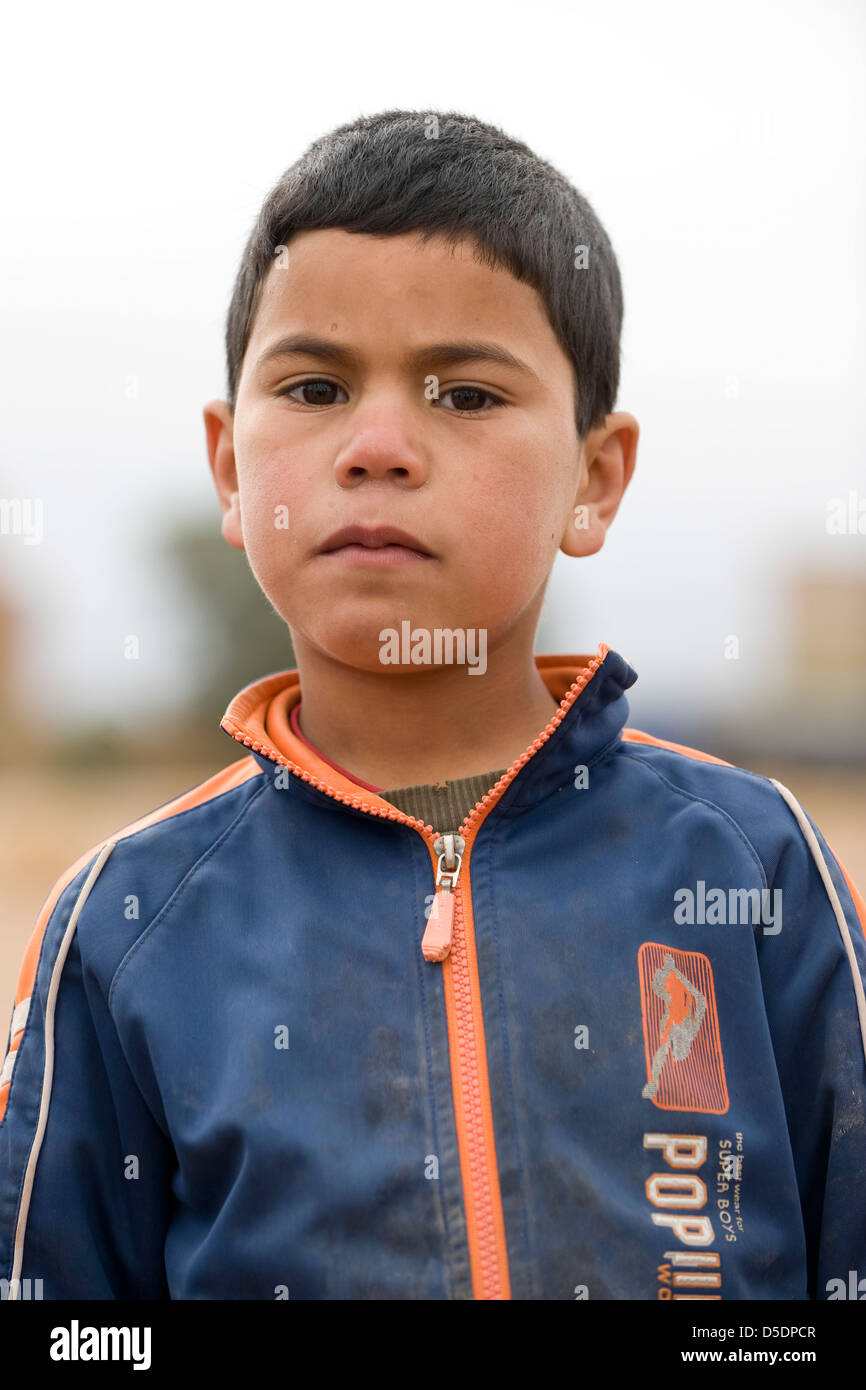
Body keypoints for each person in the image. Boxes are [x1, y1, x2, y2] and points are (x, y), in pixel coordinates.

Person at [2, 109, 864, 1301]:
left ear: (593, 477)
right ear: (232, 471)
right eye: (313, 385)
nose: (379, 445)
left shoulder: (752, 867)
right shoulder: (127, 920)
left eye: (463, 394)